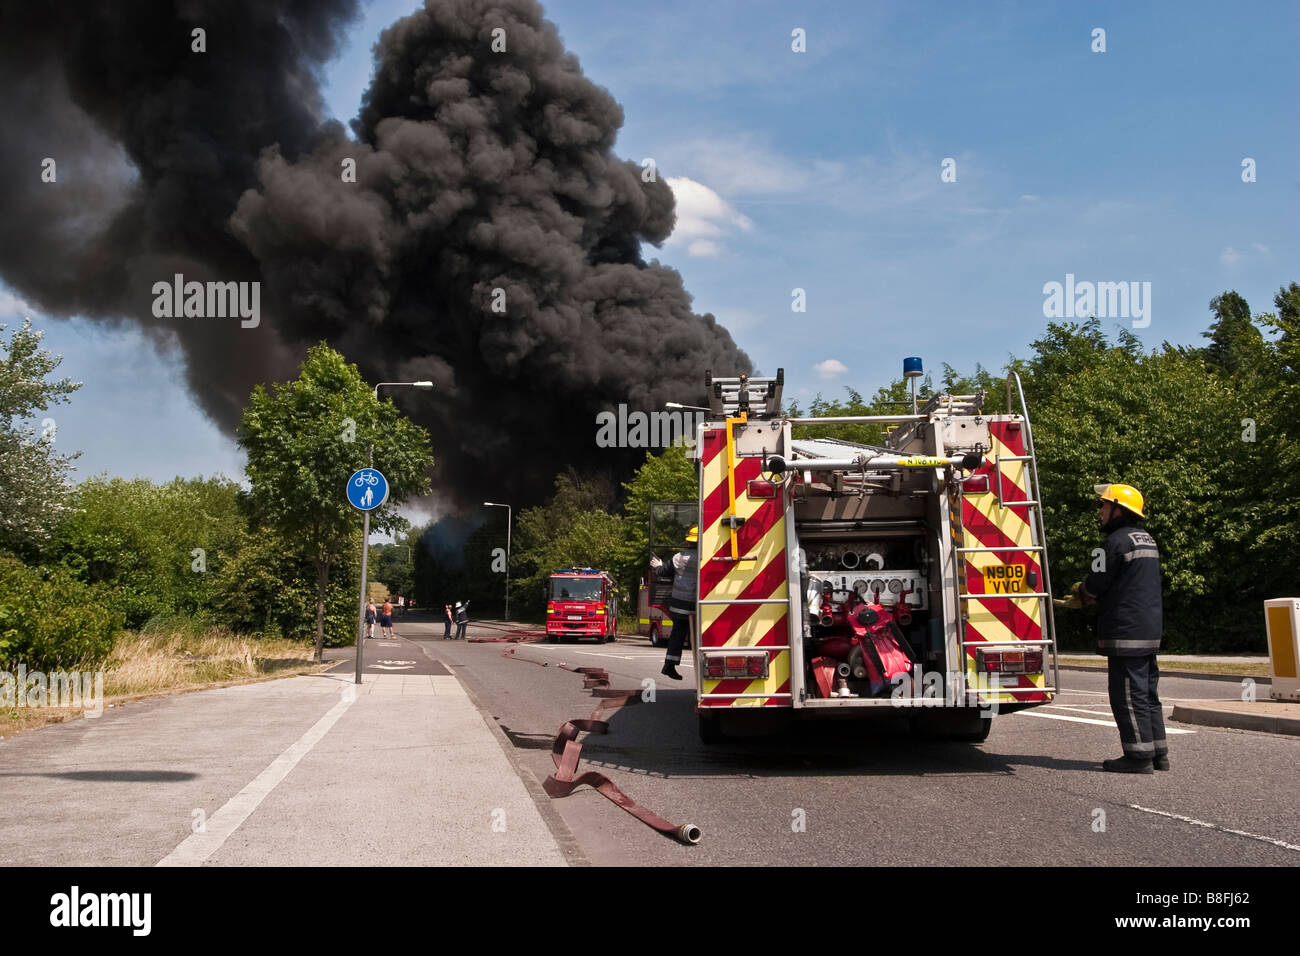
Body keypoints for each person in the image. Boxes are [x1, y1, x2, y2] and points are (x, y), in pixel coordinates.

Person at [1075, 483, 1167, 774]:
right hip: (1148, 629)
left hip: (1126, 631)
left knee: (1127, 694)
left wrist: (1081, 594)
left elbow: (1095, 583)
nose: (1100, 511)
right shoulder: (1147, 539)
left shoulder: (1112, 544)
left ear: (1118, 510)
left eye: (1104, 506)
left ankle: (1138, 757)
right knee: (1148, 694)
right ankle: (1158, 753)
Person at [650, 526, 698, 681]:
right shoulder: (703, 557)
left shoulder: (678, 557)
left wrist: (658, 566)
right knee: (699, 636)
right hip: (695, 604)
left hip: (677, 604)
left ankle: (669, 665)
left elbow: (663, 572)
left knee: (678, 633)